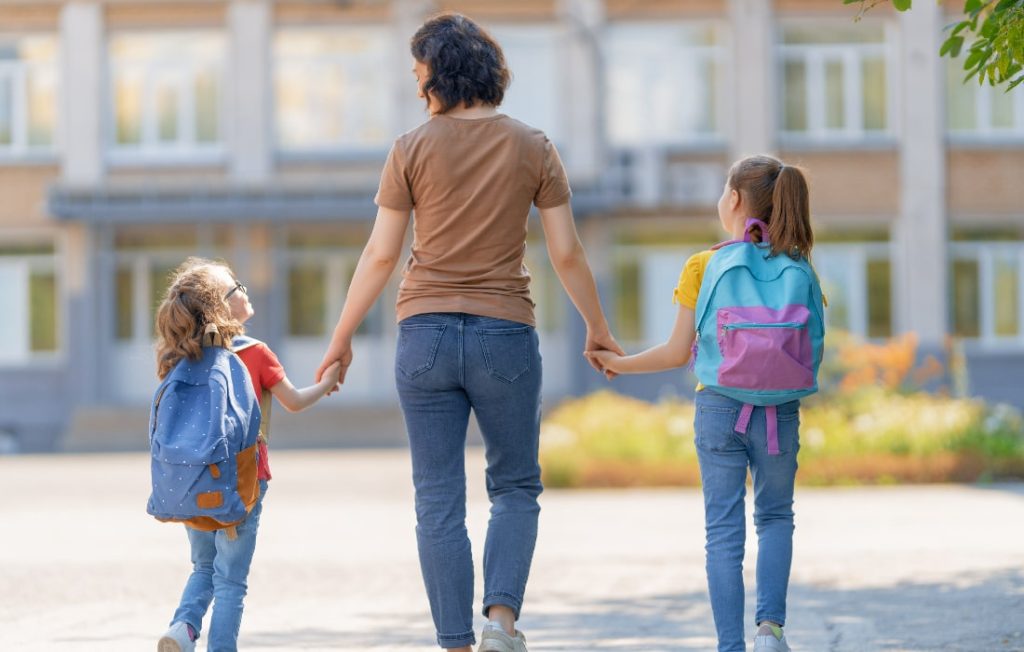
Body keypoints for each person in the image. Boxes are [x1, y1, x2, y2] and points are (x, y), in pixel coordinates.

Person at [315, 13, 621, 652]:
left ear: (437, 74)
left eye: (418, 72)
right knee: (513, 484)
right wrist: (597, 328)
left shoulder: (410, 148)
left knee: (437, 498)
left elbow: (379, 255)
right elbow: (566, 252)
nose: (415, 84)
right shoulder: (533, 146)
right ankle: (501, 624)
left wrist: (341, 336)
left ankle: (455, 643)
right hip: (504, 334)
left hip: (422, 336)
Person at [588, 155, 820, 652]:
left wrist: (617, 363)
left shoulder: (703, 264)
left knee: (723, 530)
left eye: (722, 191)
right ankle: (770, 632)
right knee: (776, 516)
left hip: (718, 408)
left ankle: (730, 647)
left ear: (734, 199)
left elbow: (675, 353)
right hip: (780, 411)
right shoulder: (799, 266)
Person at [156, 257, 341, 652]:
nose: (244, 290)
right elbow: (294, 401)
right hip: (242, 481)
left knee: (203, 566)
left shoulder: (181, 353)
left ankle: (183, 628)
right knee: (231, 581)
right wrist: (326, 382)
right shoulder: (254, 352)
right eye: (235, 287)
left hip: (193, 479)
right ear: (222, 307)